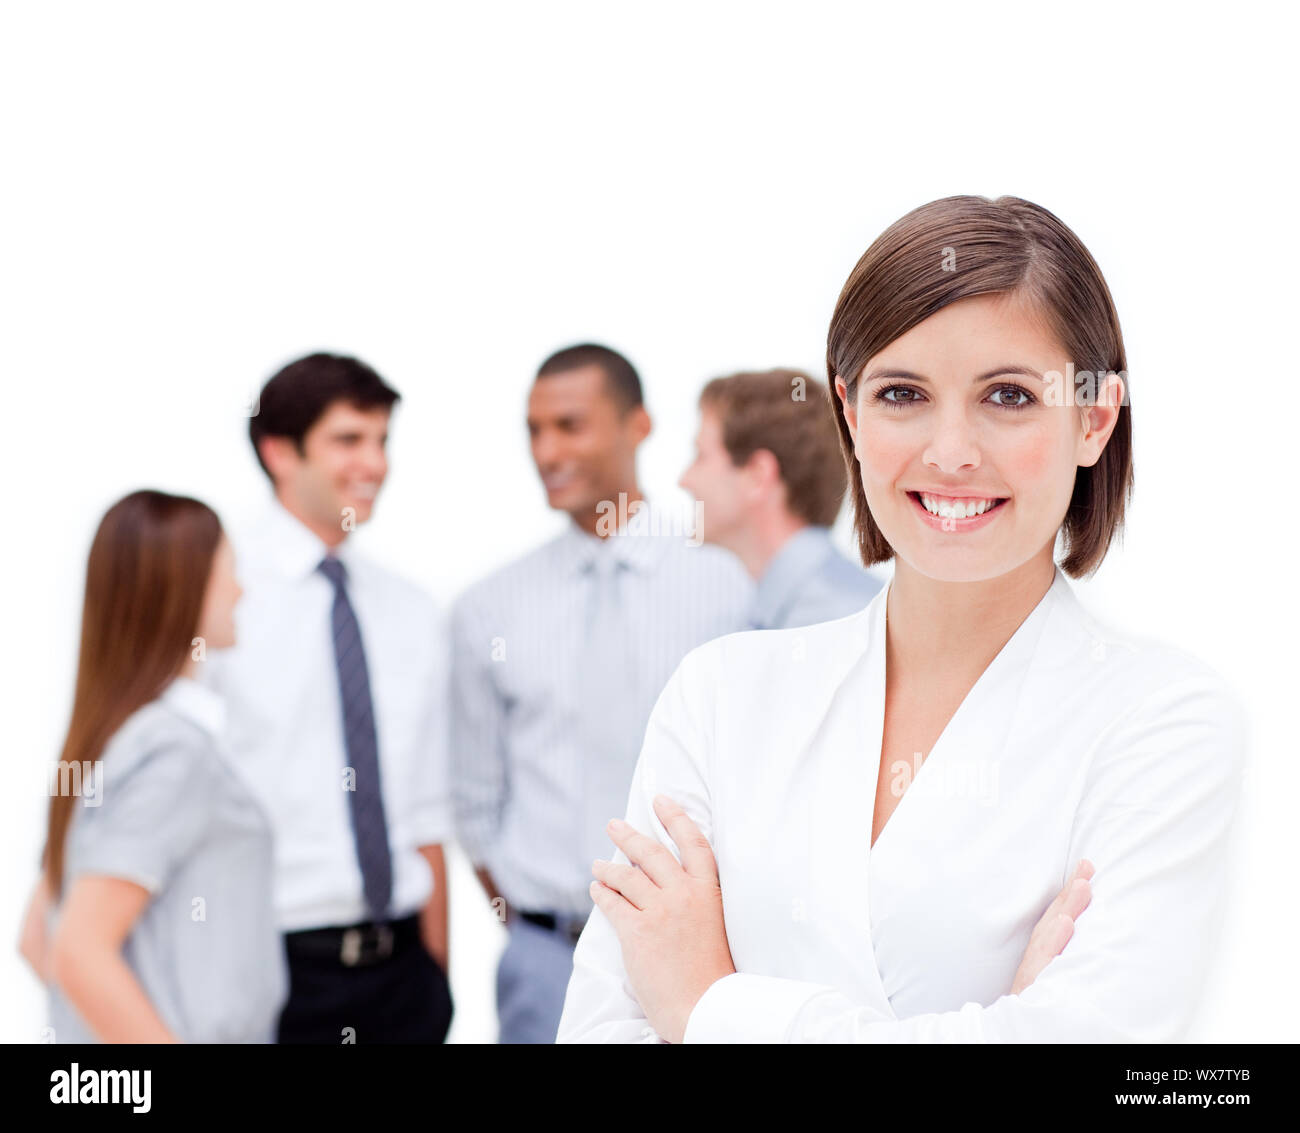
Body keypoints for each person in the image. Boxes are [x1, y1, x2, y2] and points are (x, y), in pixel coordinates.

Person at [557, 195, 1248, 1043]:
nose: (951, 449)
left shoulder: (1164, 721)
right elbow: (601, 1029)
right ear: (849, 411)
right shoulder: (719, 696)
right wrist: (995, 1023)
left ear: (1094, 418)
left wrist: (705, 1003)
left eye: (1007, 394)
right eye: (902, 393)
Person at [451, 342, 753, 1044]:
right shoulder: (488, 608)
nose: (547, 450)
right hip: (545, 961)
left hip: (706, 960)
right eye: (534, 429)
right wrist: (533, 927)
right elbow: (473, 802)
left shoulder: (728, 581)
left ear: (638, 425)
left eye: (570, 424)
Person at [203, 353, 454, 1043]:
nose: (375, 463)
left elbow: (426, 811)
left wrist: (438, 978)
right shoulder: (218, 600)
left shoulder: (409, 609)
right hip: (276, 966)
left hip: (404, 975)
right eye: (349, 440)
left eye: (382, 440)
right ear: (279, 451)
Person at [20, 489, 286, 1042]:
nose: (241, 590)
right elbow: (78, 953)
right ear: (185, 587)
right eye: (228, 571)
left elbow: (37, 939)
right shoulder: (172, 753)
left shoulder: (112, 741)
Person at [679, 368, 882, 629]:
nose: (684, 480)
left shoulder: (838, 619)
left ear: (757, 476)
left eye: (701, 456)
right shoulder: (786, 612)